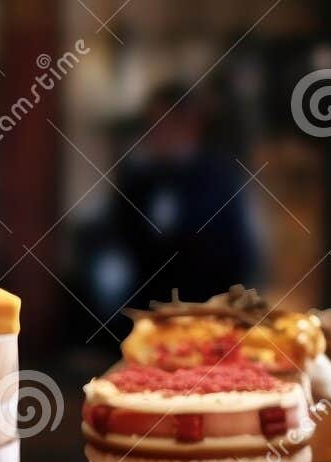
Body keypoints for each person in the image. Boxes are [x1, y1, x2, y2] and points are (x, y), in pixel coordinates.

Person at [78, 84, 263, 334]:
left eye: (165, 125)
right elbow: (119, 239)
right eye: (152, 125)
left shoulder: (221, 180)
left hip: (208, 315)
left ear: (190, 125)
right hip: (148, 317)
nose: (157, 134)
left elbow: (242, 254)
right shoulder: (138, 180)